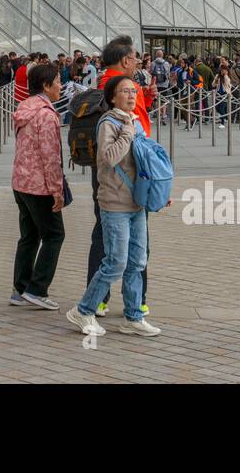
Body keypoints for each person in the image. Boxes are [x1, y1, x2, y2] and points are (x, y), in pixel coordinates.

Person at [67, 76, 160, 339]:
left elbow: (145, 161)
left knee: (137, 261)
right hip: (115, 202)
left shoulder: (134, 120)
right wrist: (128, 132)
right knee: (116, 262)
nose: (131, 95)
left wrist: (157, 190)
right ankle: (83, 310)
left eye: (134, 91)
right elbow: (108, 158)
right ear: (112, 97)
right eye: (125, 91)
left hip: (137, 202)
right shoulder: (108, 123)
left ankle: (133, 317)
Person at [91, 37, 150, 319]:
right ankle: (135, 304)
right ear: (126, 60)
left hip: (104, 177)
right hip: (126, 175)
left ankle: (102, 300)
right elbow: (141, 137)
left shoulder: (98, 82)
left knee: (102, 236)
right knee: (134, 253)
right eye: (135, 57)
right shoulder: (126, 88)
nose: (137, 62)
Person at [10, 62, 66, 310]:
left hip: (20, 182)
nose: (61, 85)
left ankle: (20, 289)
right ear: (46, 85)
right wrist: (57, 190)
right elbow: (50, 156)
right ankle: (37, 289)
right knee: (55, 235)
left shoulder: (24, 108)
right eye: (58, 81)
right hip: (39, 186)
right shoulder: (46, 115)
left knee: (29, 236)